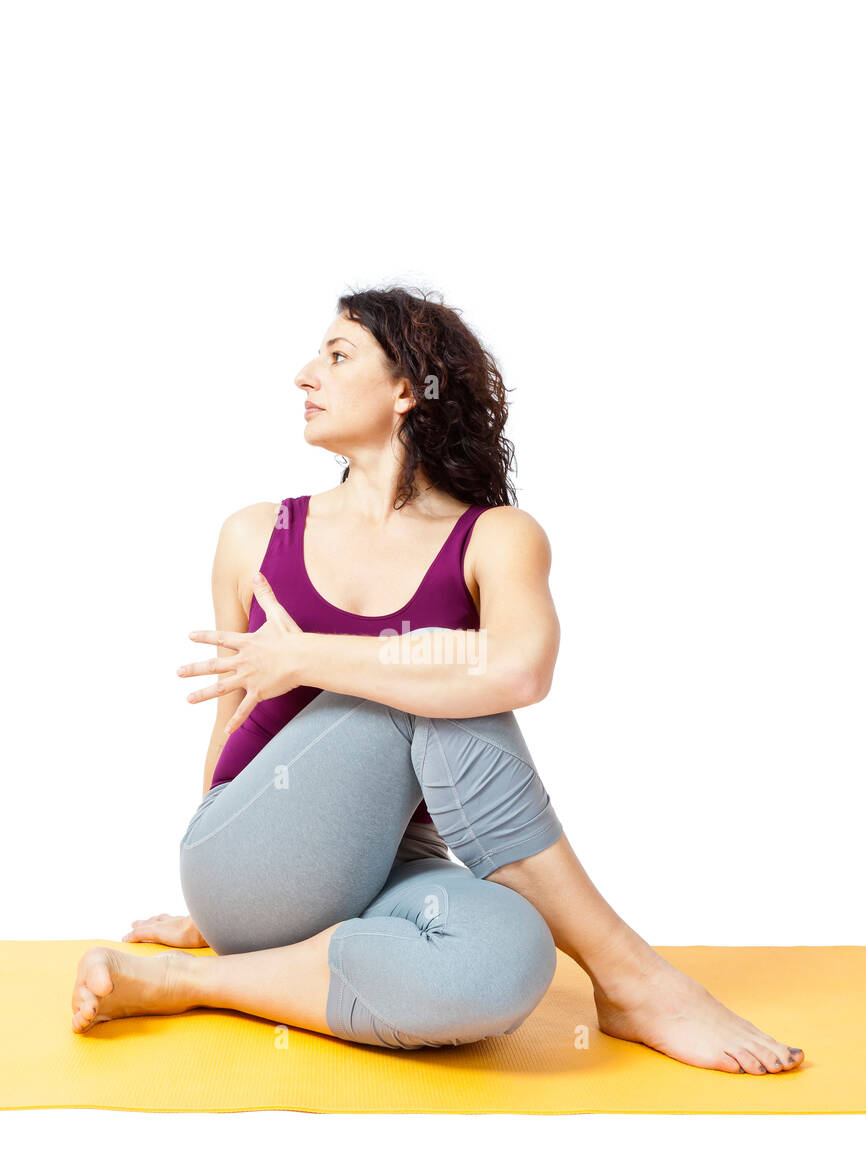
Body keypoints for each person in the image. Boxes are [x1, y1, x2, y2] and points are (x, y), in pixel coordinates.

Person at [70, 285, 804, 1073]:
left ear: (407, 390)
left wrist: (305, 657)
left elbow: (522, 670)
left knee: (508, 956)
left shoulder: (496, 537)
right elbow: (227, 739)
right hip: (248, 859)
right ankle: (633, 977)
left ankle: (186, 981)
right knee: (439, 677)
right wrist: (228, 900)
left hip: (393, 866)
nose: (303, 375)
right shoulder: (255, 534)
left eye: (337, 354)